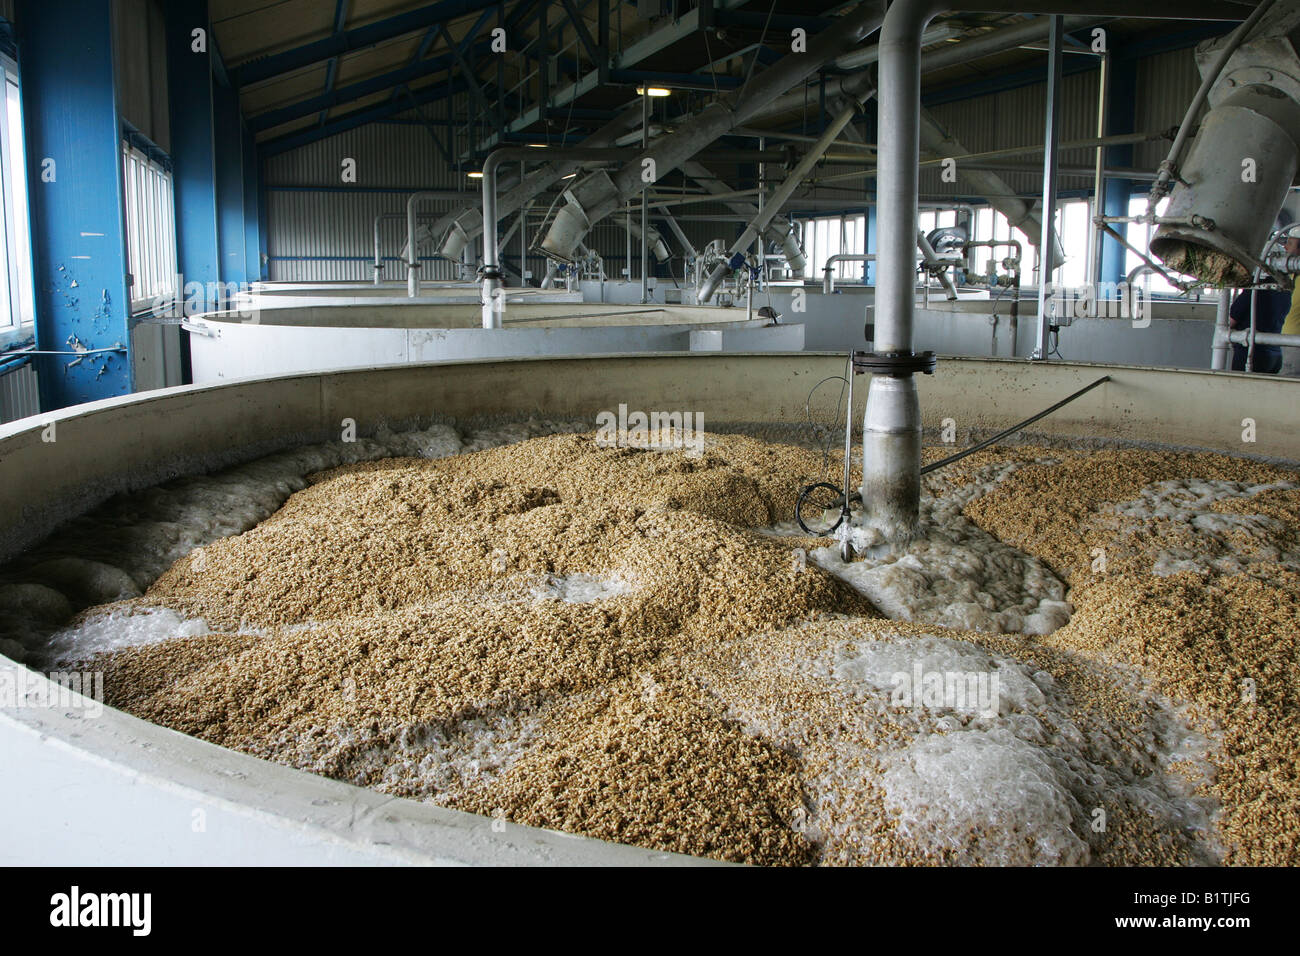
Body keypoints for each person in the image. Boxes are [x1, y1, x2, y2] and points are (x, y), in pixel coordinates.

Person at [1229, 231, 1300, 373]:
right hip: (1276, 351)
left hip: (1254, 352)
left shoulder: (1257, 288)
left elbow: (1230, 321)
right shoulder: (1286, 286)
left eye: (1290, 244)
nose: (1286, 247)